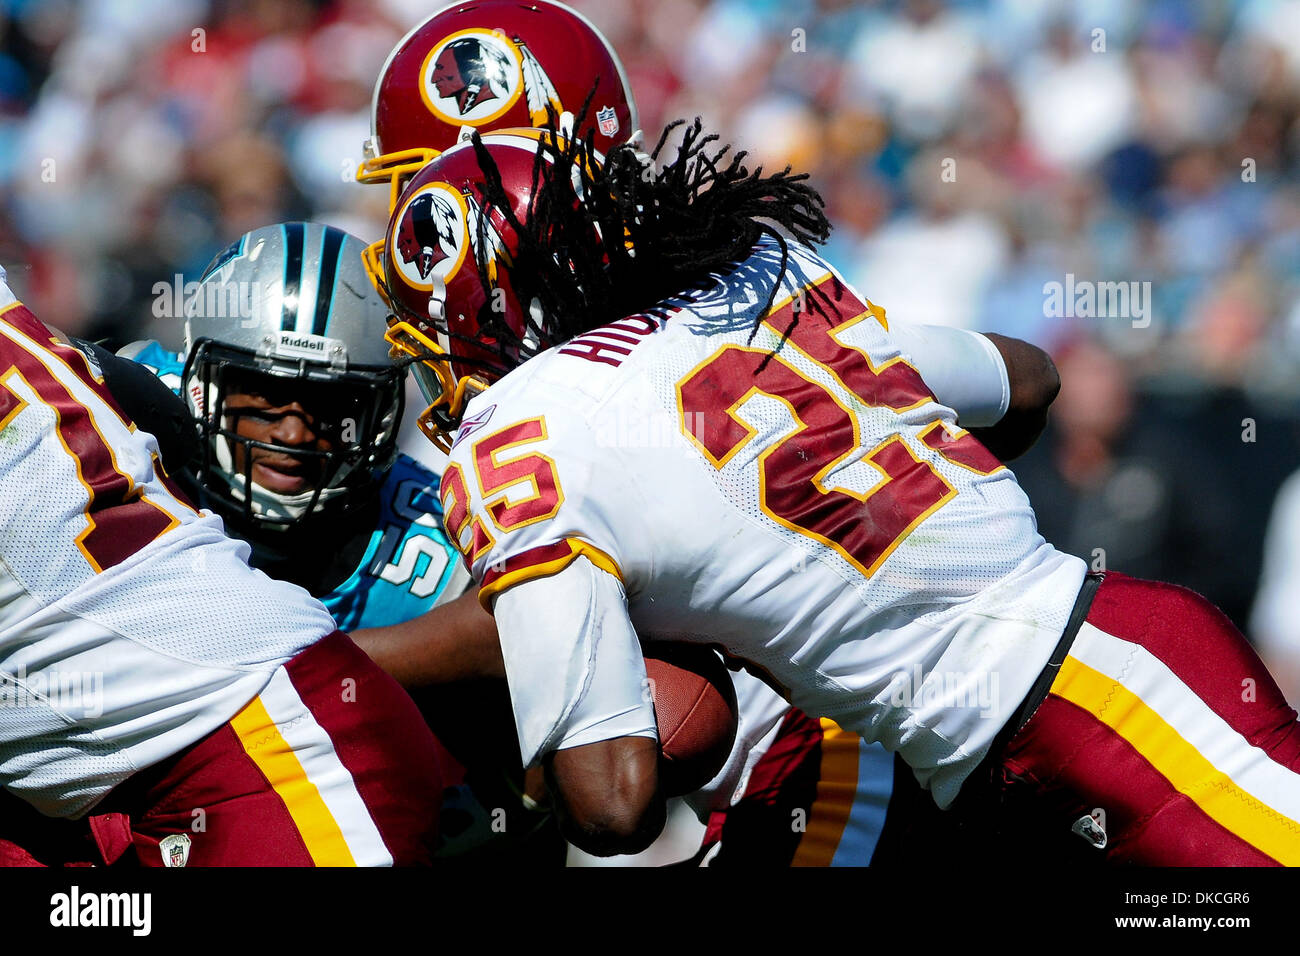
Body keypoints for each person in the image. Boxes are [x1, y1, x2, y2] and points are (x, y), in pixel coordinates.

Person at [377, 119, 1300, 865]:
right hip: (1074, 703)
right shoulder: (746, 287)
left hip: (1099, 715)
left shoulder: (520, 433)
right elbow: (1027, 383)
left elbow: (613, 806)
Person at [0, 263, 444, 866]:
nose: (291, 431)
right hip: (121, 778)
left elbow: (522, 629)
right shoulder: (135, 397)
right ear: (199, 386)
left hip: (282, 757)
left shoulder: (428, 535)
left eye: (330, 404)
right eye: (260, 395)